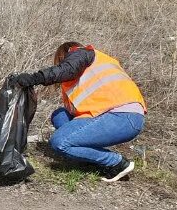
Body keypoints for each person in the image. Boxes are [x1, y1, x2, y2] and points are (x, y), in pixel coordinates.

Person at [11, 42, 146, 182]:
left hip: (124, 117)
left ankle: (116, 163)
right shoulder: (86, 71)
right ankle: (87, 159)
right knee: (60, 115)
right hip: (112, 115)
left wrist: (34, 78)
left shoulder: (81, 53)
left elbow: (66, 69)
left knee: (60, 142)